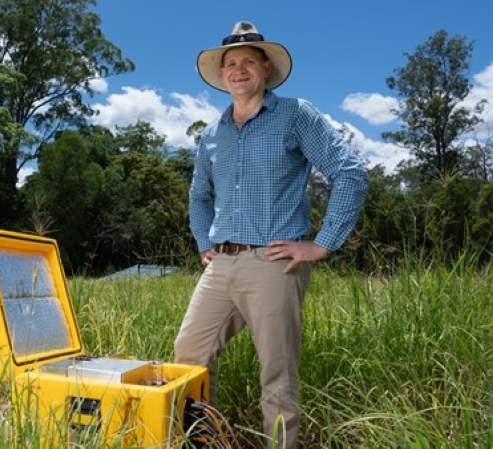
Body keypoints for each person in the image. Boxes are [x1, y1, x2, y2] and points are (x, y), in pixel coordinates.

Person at [174, 21, 369, 448]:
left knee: (277, 375)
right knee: (188, 357)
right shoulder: (212, 134)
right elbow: (199, 195)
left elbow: (350, 172)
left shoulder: (296, 115)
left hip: (274, 263)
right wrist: (204, 243)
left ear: (265, 68)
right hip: (221, 264)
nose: (239, 70)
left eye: (248, 61)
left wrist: (323, 242)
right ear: (222, 74)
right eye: (231, 63)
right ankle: (202, 442)